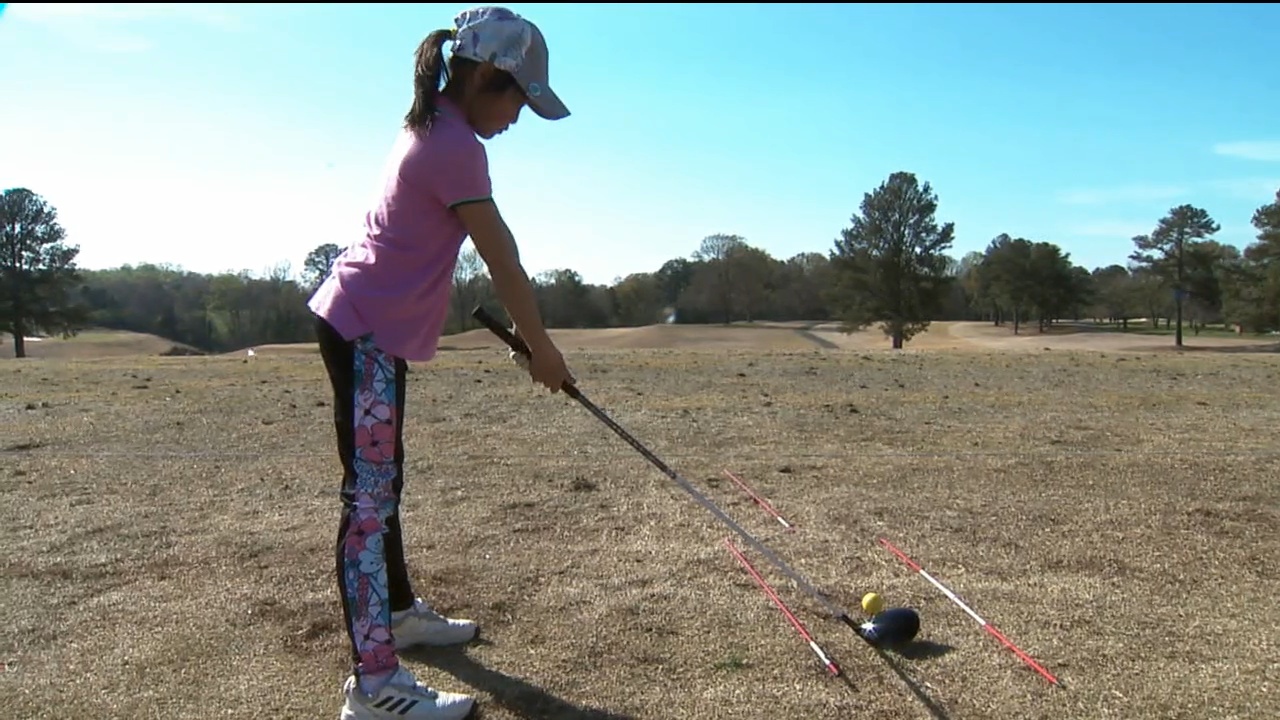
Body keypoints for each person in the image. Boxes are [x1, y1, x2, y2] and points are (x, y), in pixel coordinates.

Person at [307, 7, 575, 719]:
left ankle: (395, 613)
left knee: (382, 482)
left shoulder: (431, 123)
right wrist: (540, 348)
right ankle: (374, 687)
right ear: (489, 76)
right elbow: (503, 257)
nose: (518, 117)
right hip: (365, 329)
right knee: (368, 502)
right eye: (519, 98)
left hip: (368, 330)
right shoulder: (454, 144)